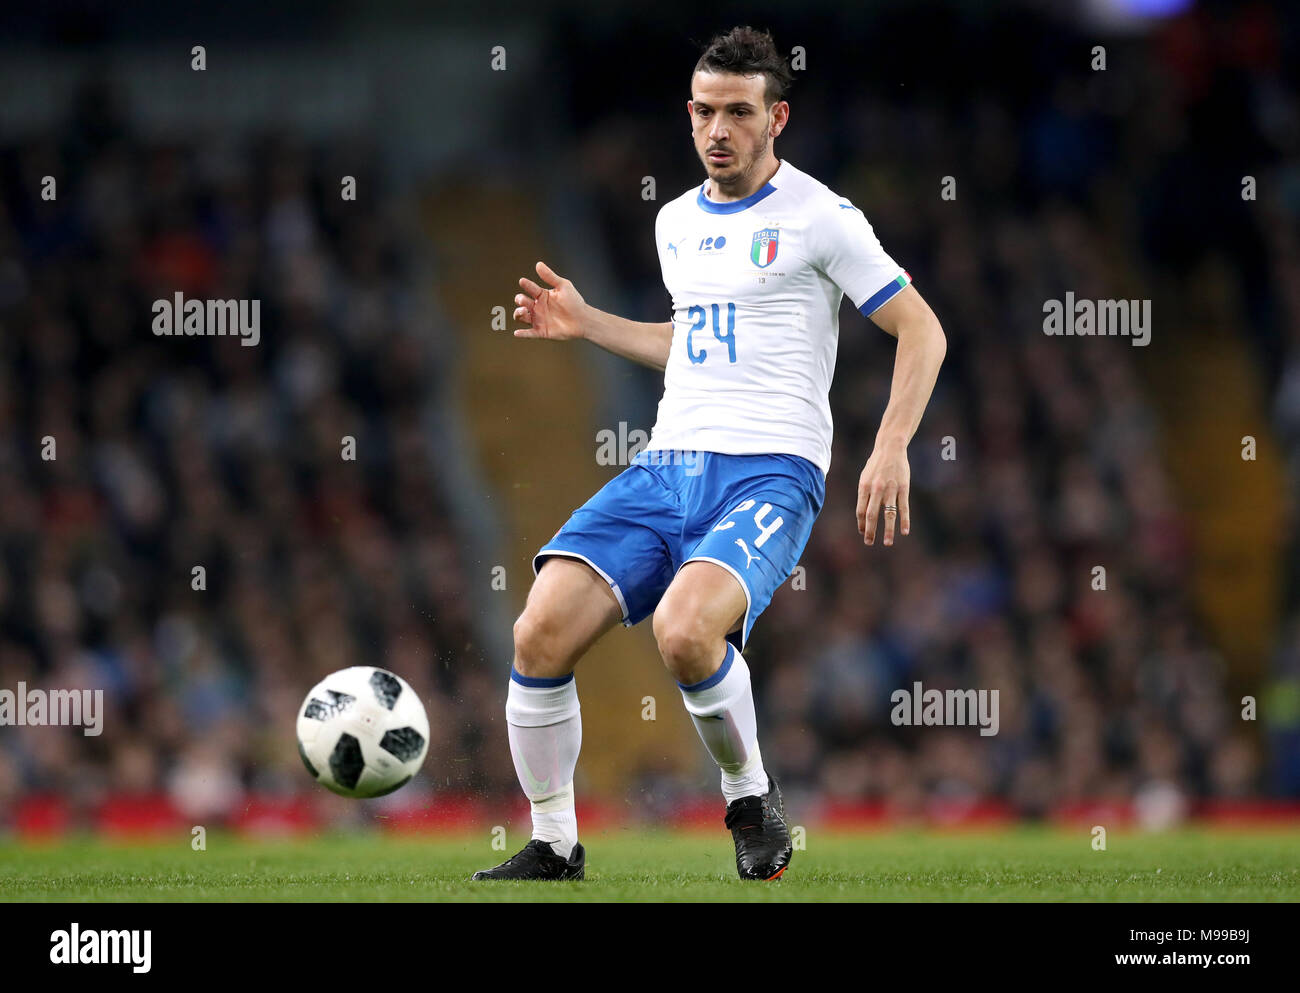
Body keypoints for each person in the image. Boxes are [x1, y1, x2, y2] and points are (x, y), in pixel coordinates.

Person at [473, 25, 946, 882]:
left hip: (771, 469)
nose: (717, 129)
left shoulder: (822, 217)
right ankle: (554, 843)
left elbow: (921, 325)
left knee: (686, 630)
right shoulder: (676, 222)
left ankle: (750, 798)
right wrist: (589, 324)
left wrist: (891, 445)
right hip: (668, 465)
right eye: (703, 111)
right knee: (538, 630)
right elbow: (694, 343)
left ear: (778, 118)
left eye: (737, 112)